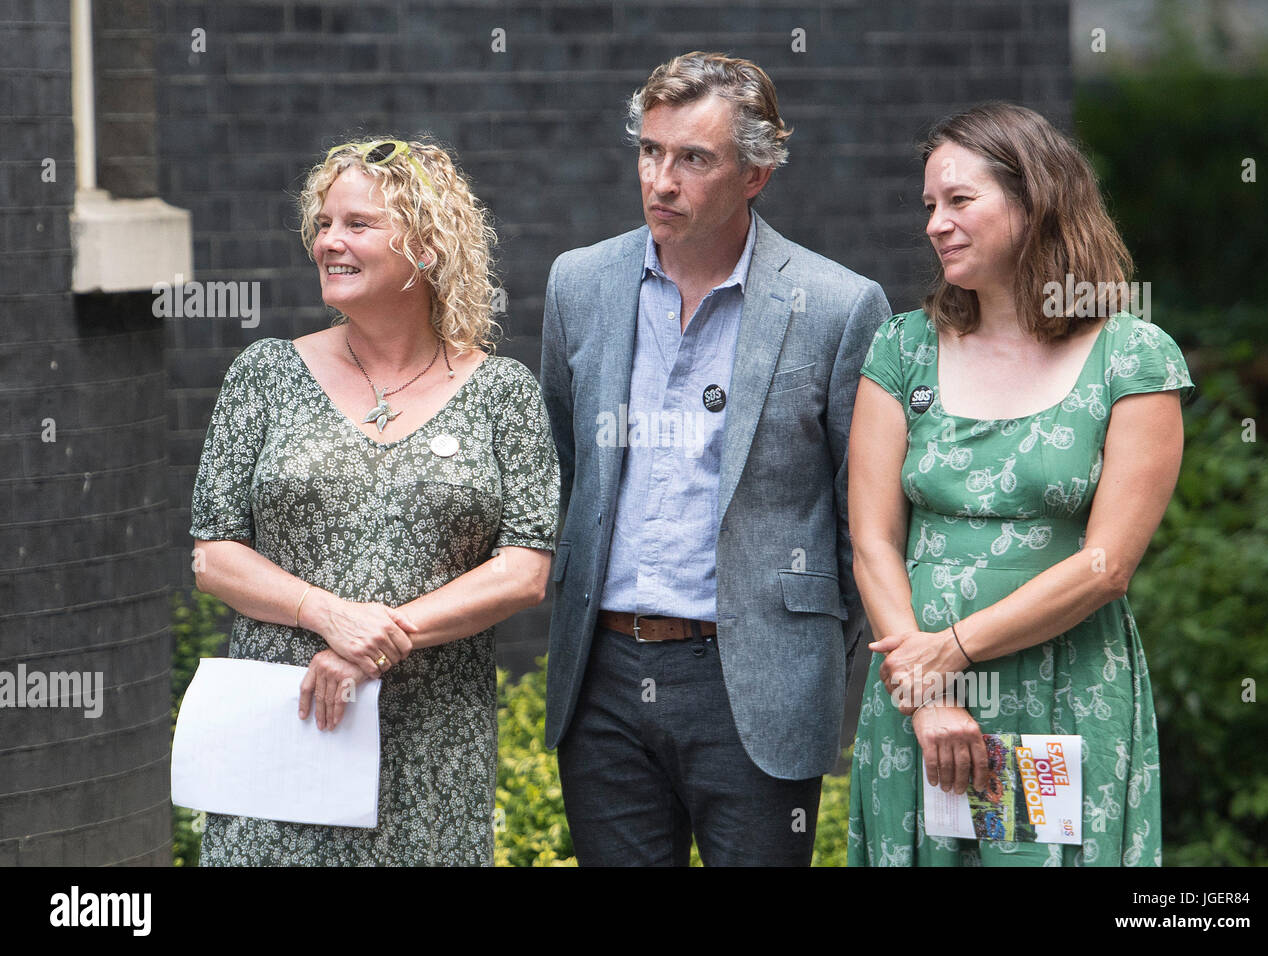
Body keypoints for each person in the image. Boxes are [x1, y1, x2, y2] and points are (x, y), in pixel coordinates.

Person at [540, 52, 892, 866]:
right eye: (650, 150)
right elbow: (568, 469)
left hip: (754, 682)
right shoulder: (579, 284)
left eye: (693, 158)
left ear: (755, 174)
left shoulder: (839, 306)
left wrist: (801, 652)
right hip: (602, 678)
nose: (661, 178)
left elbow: (860, 514)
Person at [189, 137, 559, 865]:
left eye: (357, 224)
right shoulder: (264, 375)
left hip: (432, 745)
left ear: (424, 243)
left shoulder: (502, 393)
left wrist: (377, 644)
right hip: (287, 730)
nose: (330, 241)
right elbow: (213, 556)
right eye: (323, 224)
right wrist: (329, 616)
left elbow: (524, 570)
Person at [846, 103, 1193, 866]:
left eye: (960, 201)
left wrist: (953, 653)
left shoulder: (1130, 357)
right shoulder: (902, 349)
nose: (937, 222)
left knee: (1028, 855)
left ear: (1035, 199)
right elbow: (873, 539)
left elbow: (1108, 567)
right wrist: (927, 693)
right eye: (929, 205)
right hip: (922, 707)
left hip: (1056, 689)